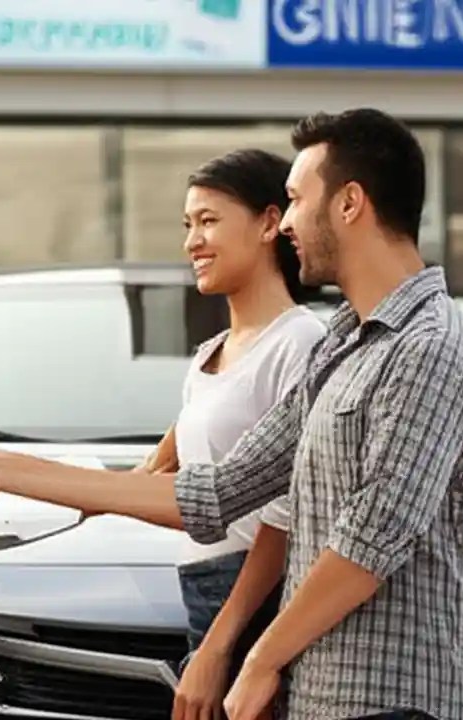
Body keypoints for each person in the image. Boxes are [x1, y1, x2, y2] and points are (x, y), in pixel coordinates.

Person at [0, 108, 463, 720]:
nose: (288, 221)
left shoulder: (428, 343)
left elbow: (372, 537)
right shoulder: (342, 344)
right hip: (324, 699)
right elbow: (214, 493)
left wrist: (257, 657)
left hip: (398, 702)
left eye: (295, 200)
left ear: (349, 204)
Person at [140, 150, 327, 720]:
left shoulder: (300, 342)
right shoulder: (207, 358)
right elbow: (148, 482)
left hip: (253, 602)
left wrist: (221, 645)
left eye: (209, 221)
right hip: (202, 592)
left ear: (271, 223)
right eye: (188, 225)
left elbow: (286, 517)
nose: (193, 241)